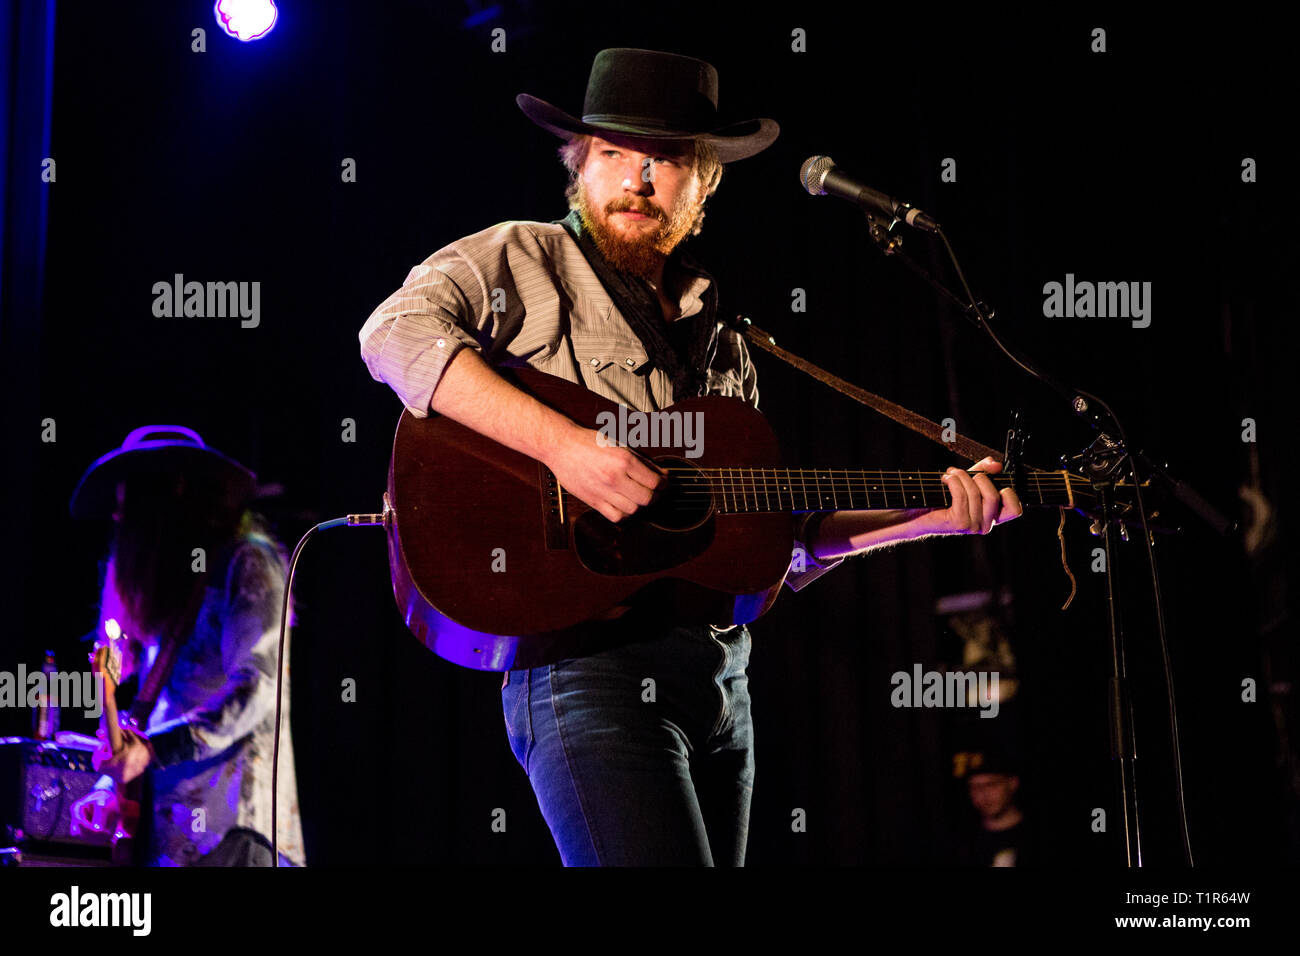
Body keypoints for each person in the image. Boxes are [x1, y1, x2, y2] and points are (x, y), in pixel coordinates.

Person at [359, 47, 1021, 865]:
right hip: (585, 670)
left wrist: (927, 520)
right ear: (578, 166)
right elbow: (393, 334)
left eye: (666, 160)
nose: (637, 178)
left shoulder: (726, 341)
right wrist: (569, 451)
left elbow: (770, 543)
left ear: (704, 184)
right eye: (612, 154)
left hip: (721, 686)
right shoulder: (521, 258)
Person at [67, 426, 305, 866]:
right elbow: (153, 715)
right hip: (175, 845)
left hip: (235, 832)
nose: (120, 522)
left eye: (130, 507)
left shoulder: (247, 563)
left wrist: (153, 750)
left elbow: (256, 689)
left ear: (173, 494)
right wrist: (111, 784)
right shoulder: (174, 589)